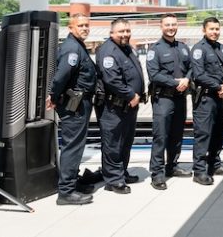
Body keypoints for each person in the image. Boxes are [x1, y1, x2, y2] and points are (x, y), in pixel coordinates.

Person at [47, 13, 97, 205]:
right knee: (72, 146)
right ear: (71, 28)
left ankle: (72, 182)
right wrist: (53, 95)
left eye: (86, 25)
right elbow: (61, 76)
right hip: (74, 104)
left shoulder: (77, 46)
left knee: (75, 145)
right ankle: (66, 192)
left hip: (78, 102)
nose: (84, 28)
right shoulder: (72, 49)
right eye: (80, 25)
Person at [96, 18, 145, 194]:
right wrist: (131, 94)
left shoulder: (126, 49)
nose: (125, 34)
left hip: (128, 107)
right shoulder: (108, 51)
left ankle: (121, 172)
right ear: (111, 34)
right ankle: (113, 180)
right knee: (113, 143)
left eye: (127, 31)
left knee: (125, 141)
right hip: (113, 107)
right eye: (121, 32)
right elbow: (112, 79)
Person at [146, 14, 192, 190]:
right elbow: (154, 74)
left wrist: (187, 80)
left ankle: (172, 166)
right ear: (161, 26)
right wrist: (176, 83)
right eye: (167, 25)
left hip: (180, 98)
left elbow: (191, 68)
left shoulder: (183, 47)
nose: (171, 27)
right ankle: (157, 174)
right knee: (161, 136)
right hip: (163, 99)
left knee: (177, 134)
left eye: (174, 24)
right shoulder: (154, 49)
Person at [190, 16, 223, 185]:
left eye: (217, 29)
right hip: (205, 97)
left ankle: (215, 164)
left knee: (218, 132)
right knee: (203, 133)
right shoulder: (199, 49)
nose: (215, 32)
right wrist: (218, 86)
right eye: (211, 29)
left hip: (220, 97)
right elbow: (199, 74)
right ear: (204, 30)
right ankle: (199, 171)